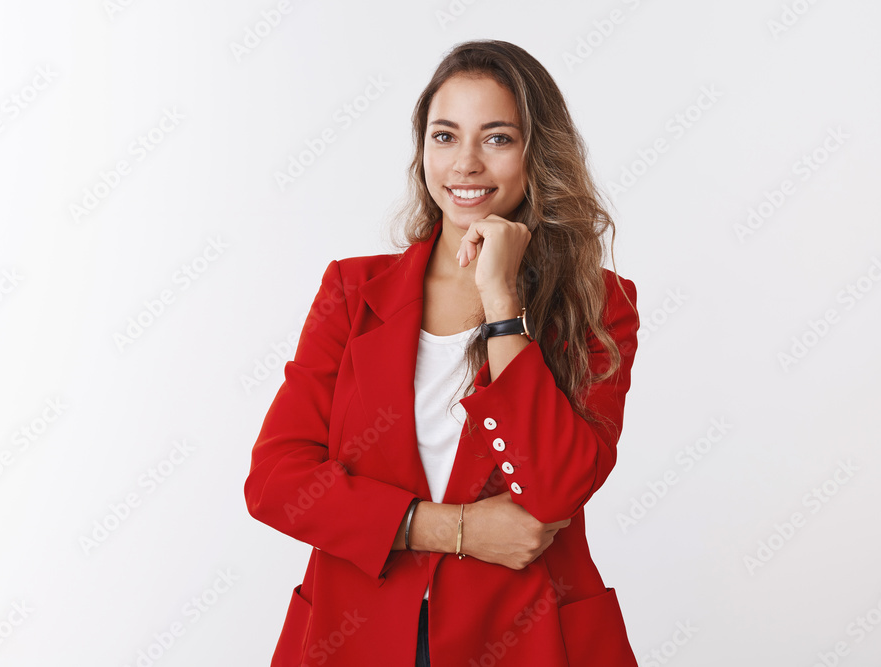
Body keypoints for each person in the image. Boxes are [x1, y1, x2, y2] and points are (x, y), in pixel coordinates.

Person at [245, 39, 641, 667]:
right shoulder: (353, 293)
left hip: (525, 639)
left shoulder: (600, 305)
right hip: (354, 635)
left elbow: (556, 490)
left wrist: (503, 304)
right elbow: (275, 481)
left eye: (497, 138)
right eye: (445, 136)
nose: (465, 165)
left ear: (539, 152)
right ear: (422, 149)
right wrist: (453, 530)